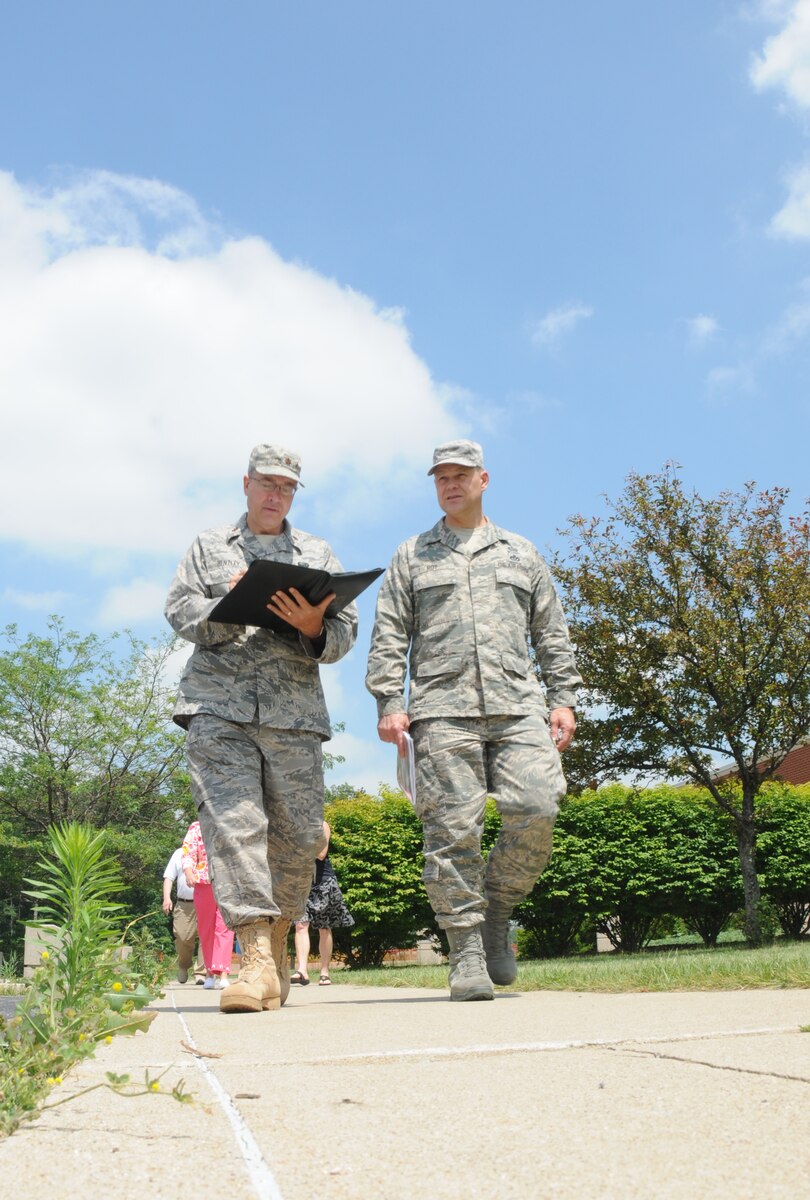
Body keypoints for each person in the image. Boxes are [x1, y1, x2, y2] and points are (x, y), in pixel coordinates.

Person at [365, 439, 582, 1002]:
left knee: (537, 806)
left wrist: (563, 699)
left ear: (484, 479)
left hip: (517, 706)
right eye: (441, 477)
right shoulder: (412, 555)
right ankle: (465, 951)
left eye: (461, 475)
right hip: (441, 710)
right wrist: (389, 704)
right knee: (451, 831)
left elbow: (551, 633)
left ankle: (497, 910)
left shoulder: (521, 552)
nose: (451, 484)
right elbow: (388, 633)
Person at [165, 443, 357, 1014]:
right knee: (234, 825)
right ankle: (251, 955)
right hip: (217, 709)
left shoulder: (316, 551)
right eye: (268, 483)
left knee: (299, 839)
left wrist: (313, 625)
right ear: (246, 484)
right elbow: (179, 610)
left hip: (294, 716)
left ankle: (273, 950)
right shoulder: (209, 546)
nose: (277, 495)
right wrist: (234, 602)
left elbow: (343, 636)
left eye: (288, 487)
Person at [292, 820, 354, 986]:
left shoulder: (322, 825)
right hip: (302, 881)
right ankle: (302, 970)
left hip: (323, 881)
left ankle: (324, 971)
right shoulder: (294, 826)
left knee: (324, 928)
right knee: (300, 925)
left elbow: (321, 853)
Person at [181, 820, 234, 989]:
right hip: (203, 881)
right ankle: (210, 972)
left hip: (227, 880)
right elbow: (188, 852)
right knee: (206, 928)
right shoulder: (196, 827)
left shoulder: (229, 823)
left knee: (224, 926)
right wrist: (189, 872)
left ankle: (223, 973)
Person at [162, 845, 204, 984]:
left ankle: (201, 973)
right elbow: (168, 877)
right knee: (182, 936)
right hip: (184, 904)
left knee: (206, 937)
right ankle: (184, 965)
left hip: (206, 901)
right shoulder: (179, 853)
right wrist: (167, 898)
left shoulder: (208, 851)